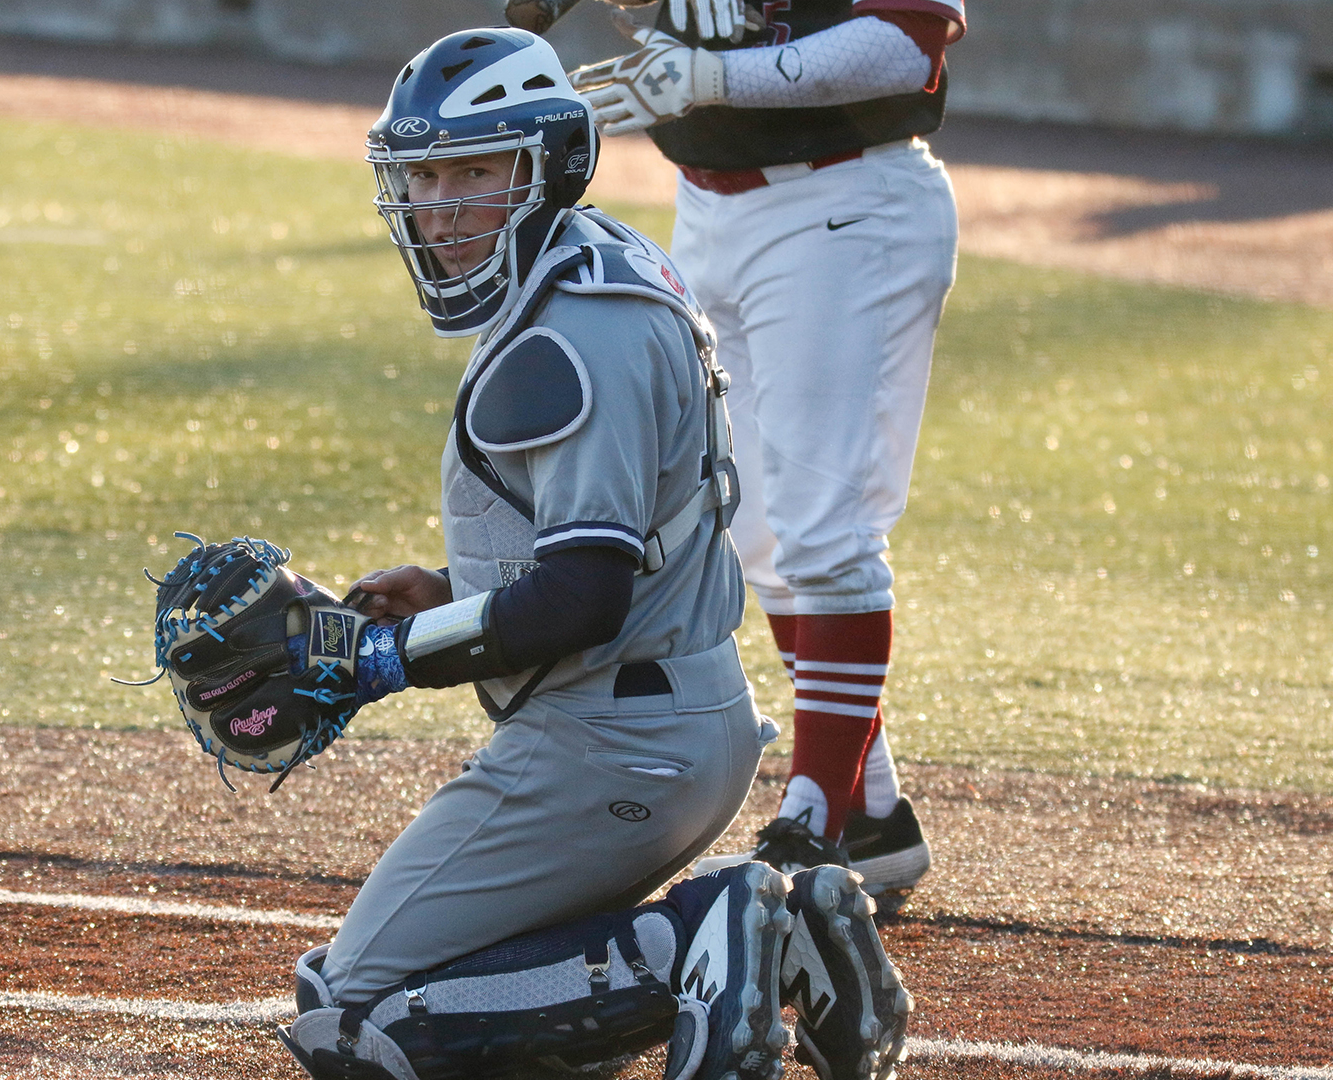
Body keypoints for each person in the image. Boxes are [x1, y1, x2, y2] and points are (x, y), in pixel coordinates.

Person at [274, 27, 909, 1080]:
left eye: (475, 171)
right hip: (679, 718)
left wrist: (380, 662)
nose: (439, 208)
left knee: (357, 1013)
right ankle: (793, 936)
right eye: (422, 177)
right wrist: (448, 592)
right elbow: (615, 525)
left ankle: (693, 944)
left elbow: (582, 596)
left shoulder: (557, 338)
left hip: (608, 749)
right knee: (474, 987)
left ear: (549, 163)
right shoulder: (600, 262)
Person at [567, 0, 962, 901]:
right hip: (710, 201)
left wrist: (712, 78)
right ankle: (869, 811)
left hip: (846, 199)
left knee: (828, 531)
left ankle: (814, 825)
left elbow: (906, 47)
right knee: (748, 530)